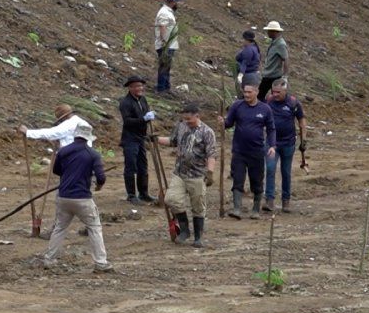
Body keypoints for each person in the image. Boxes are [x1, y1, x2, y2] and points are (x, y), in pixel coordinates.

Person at [42, 122, 113, 273]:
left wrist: (70, 175)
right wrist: (99, 185)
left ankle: (49, 259)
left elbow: (56, 170)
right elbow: (101, 177)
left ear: (75, 135)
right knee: (94, 228)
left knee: (60, 227)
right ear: (88, 138)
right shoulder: (92, 154)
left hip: (63, 196)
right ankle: (100, 263)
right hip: (82, 198)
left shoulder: (63, 151)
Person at [153, 103, 217, 248]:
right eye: (184, 119)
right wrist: (156, 139)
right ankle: (185, 230)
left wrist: (210, 172)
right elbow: (173, 141)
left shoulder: (207, 132)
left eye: (189, 119)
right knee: (171, 199)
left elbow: (211, 154)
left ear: (197, 116)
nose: (187, 122)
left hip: (197, 174)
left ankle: (198, 237)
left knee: (198, 206)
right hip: (180, 173)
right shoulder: (181, 126)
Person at [220, 83, 276, 219]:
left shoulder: (265, 109)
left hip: (256, 151)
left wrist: (272, 146)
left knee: (256, 181)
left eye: (249, 92)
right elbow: (228, 124)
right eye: (245, 92)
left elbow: (271, 129)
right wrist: (222, 122)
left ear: (256, 92)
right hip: (239, 151)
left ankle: (256, 209)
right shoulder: (237, 106)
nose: (246, 95)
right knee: (237, 179)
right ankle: (237, 208)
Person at [264, 79, 306, 213]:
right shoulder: (269, 101)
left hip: (288, 143)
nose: (275, 94)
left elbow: (302, 122)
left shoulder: (293, 103)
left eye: (278, 92)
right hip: (272, 143)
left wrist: (303, 140)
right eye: (273, 91)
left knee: (286, 172)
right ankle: (269, 200)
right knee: (270, 168)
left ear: (285, 90)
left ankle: (286, 201)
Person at [118, 76, 156, 204]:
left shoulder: (143, 99)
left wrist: (149, 118)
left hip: (141, 137)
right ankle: (131, 194)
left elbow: (146, 115)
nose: (139, 88)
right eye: (136, 86)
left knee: (143, 166)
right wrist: (144, 119)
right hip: (130, 139)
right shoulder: (125, 102)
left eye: (140, 86)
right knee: (131, 166)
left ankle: (143, 193)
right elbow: (127, 121)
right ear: (130, 88)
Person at [17, 103, 95, 149]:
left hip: (73, 158)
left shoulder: (69, 124)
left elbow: (51, 133)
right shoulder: (83, 123)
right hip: (86, 156)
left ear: (64, 117)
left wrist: (28, 132)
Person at [154, 0, 181, 94]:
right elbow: (162, 27)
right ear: (173, 1)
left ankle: (166, 87)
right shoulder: (164, 13)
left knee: (167, 66)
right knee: (164, 66)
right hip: (165, 45)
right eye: (177, 1)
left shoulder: (168, 12)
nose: (177, 3)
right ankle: (161, 88)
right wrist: (165, 42)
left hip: (170, 44)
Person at [259, 21, 288, 101]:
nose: (267, 33)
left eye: (269, 31)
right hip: (268, 74)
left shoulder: (280, 44)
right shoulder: (274, 42)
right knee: (263, 96)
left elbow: (285, 59)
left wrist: (285, 76)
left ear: (274, 31)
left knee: (262, 96)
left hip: (273, 75)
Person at [235, 29, 262, 97]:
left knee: (246, 96)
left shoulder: (248, 50)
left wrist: (240, 75)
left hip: (248, 76)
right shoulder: (255, 48)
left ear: (246, 39)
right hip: (254, 75)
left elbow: (245, 63)